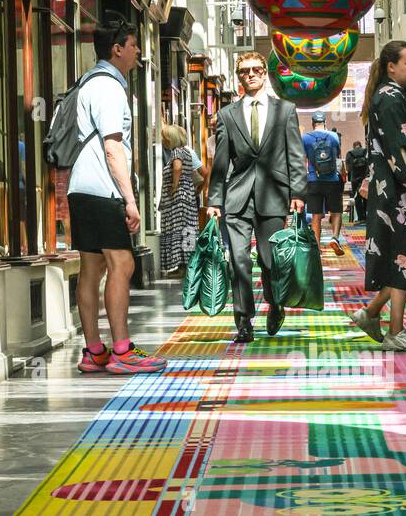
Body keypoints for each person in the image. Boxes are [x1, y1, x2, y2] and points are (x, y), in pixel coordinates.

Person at [68, 21, 166, 375]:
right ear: (117, 49)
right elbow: (113, 148)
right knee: (123, 265)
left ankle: (94, 351)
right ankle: (122, 350)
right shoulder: (109, 88)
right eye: (134, 45)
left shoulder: (89, 82)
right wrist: (130, 199)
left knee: (91, 269)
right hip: (103, 188)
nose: (138, 51)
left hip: (81, 187)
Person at [206, 51, 307, 342]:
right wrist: (214, 200)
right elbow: (221, 162)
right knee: (238, 260)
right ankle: (244, 320)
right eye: (243, 71)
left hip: (273, 195)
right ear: (239, 78)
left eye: (255, 70)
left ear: (264, 73)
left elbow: (295, 155)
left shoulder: (284, 110)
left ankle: (275, 305)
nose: (249, 75)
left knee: (269, 260)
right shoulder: (227, 115)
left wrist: (297, 192)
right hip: (237, 197)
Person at [348, 41, 406, 352]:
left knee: (401, 256)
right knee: (402, 257)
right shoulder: (390, 99)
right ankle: (395, 330)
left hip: (393, 188)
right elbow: (401, 147)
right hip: (399, 191)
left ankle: (371, 313)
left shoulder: (389, 96)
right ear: (391, 67)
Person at [159, 124, 202, 274]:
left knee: (179, 229)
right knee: (188, 230)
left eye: (164, 138)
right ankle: (188, 264)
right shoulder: (187, 152)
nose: (162, 140)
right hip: (187, 197)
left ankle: (183, 266)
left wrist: (174, 186)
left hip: (178, 200)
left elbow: (177, 168)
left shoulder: (176, 152)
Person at [301, 111, 343, 252]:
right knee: (336, 211)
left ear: (313, 124)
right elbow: (337, 156)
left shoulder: (305, 138)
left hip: (314, 180)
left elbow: (303, 161)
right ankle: (335, 237)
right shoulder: (333, 136)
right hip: (332, 180)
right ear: (325, 123)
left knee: (316, 215)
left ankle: (316, 246)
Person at [345, 139, 369, 221]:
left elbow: (347, 168)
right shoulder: (365, 151)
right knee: (366, 195)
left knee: (357, 197)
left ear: (353, 146)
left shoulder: (349, 153)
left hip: (354, 178)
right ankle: (367, 216)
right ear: (360, 145)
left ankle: (360, 218)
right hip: (365, 177)